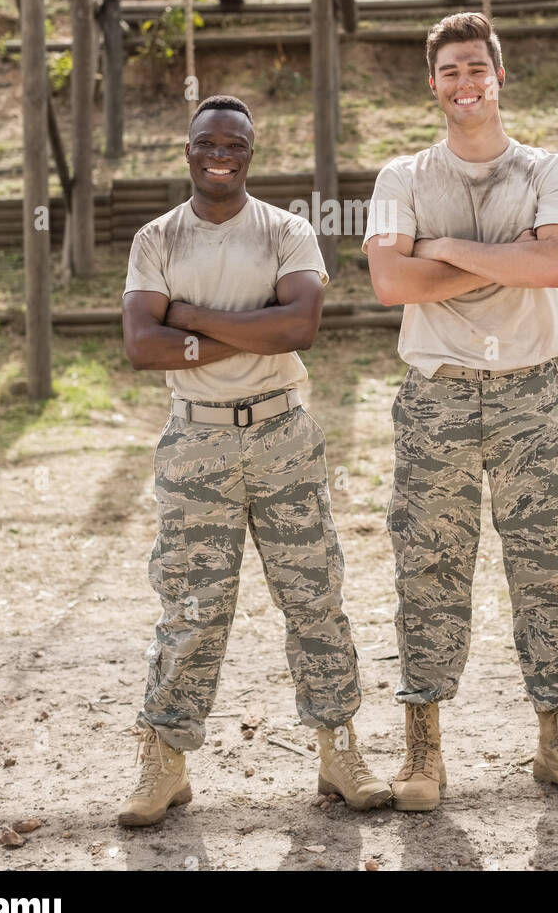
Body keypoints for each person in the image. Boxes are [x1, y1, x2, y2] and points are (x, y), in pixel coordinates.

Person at [363, 12, 558, 812]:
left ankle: (557, 742)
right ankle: (422, 752)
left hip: (529, 394)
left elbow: (552, 264)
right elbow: (389, 286)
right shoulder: (403, 177)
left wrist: (442, 248)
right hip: (436, 395)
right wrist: (502, 265)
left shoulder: (550, 169)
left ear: (499, 76)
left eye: (476, 68)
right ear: (432, 84)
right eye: (449, 72)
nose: (464, 83)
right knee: (428, 568)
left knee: (545, 566)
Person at [118, 94, 390, 826]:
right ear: (188, 151)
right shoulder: (157, 239)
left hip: (282, 436)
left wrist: (194, 320)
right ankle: (164, 761)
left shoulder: (286, 230)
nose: (219, 154)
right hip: (196, 439)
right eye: (206, 142)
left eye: (233, 144)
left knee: (313, 595)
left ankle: (339, 749)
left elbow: (300, 325)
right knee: (191, 607)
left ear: (249, 153)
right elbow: (142, 346)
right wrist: (254, 329)